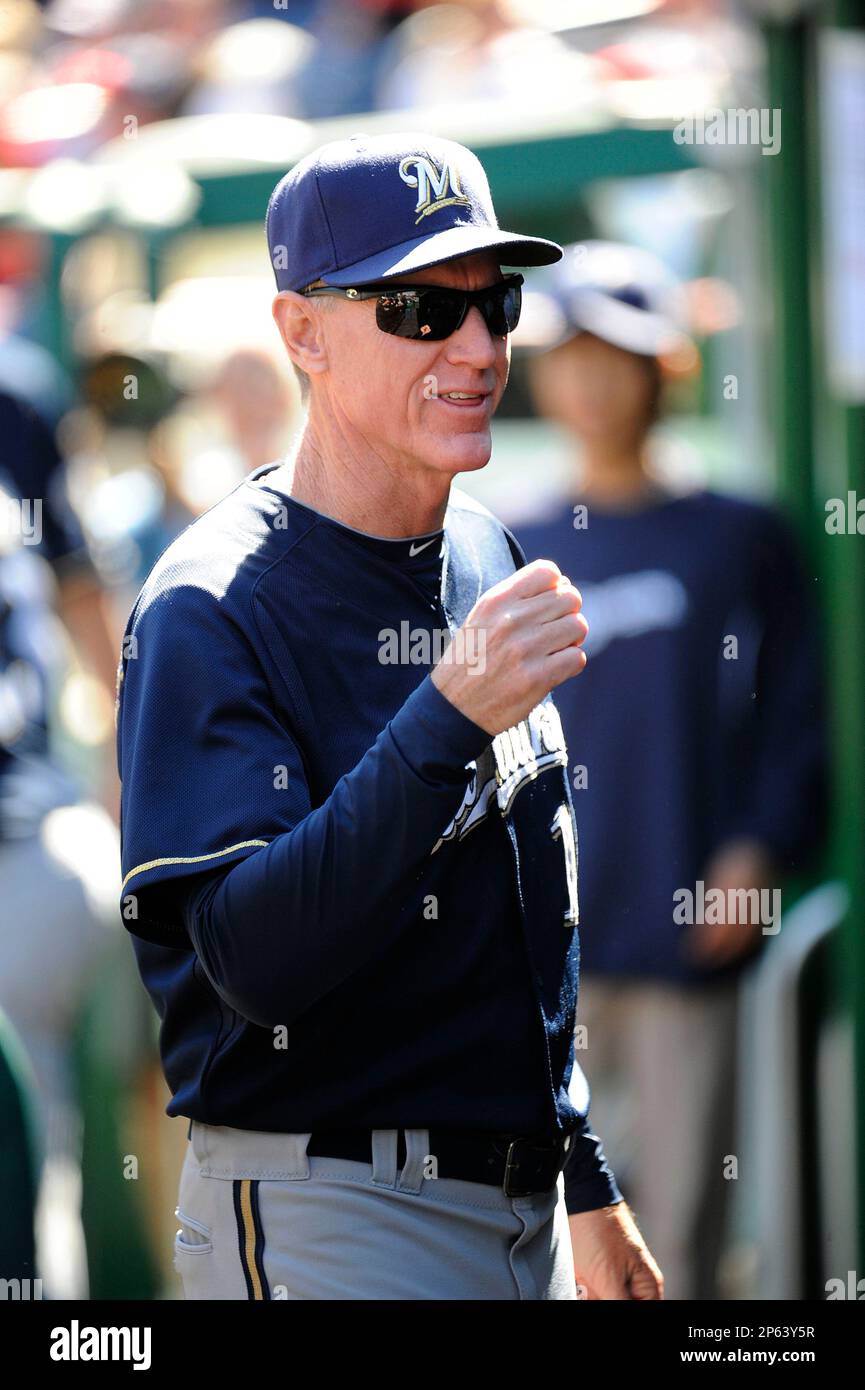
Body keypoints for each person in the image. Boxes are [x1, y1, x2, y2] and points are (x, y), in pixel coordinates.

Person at [115, 133, 663, 1301]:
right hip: (330, 1205)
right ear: (302, 332)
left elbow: (522, 910)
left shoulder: (480, 546)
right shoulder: (211, 602)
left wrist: (580, 1170)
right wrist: (444, 714)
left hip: (525, 1214)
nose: (476, 347)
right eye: (420, 307)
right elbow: (253, 962)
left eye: (493, 302)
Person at [514, 241, 827, 1299]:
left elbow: (798, 718)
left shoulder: (738, 534)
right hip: (550, 954)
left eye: (618, 352)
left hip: (689, 934)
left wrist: (757, 849)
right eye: (570, 352)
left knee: (676, 1243)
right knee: (553, 1245)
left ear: (668, 366)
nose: (592, 378)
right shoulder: (515, 542)